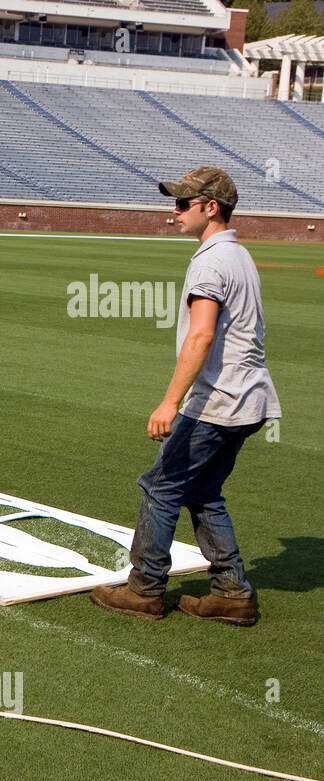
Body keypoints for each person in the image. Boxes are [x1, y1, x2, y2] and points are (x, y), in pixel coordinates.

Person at [91, 167, 280, 627]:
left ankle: (145, 589)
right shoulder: (238, 256)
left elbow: (200, 336)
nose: (173, 212)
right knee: (202, 491)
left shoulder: (211, 261)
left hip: (218, 401)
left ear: (210, 208)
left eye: (182, 204)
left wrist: (169, 403)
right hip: (249, 400)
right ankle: (232, 592)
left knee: (159, 486)